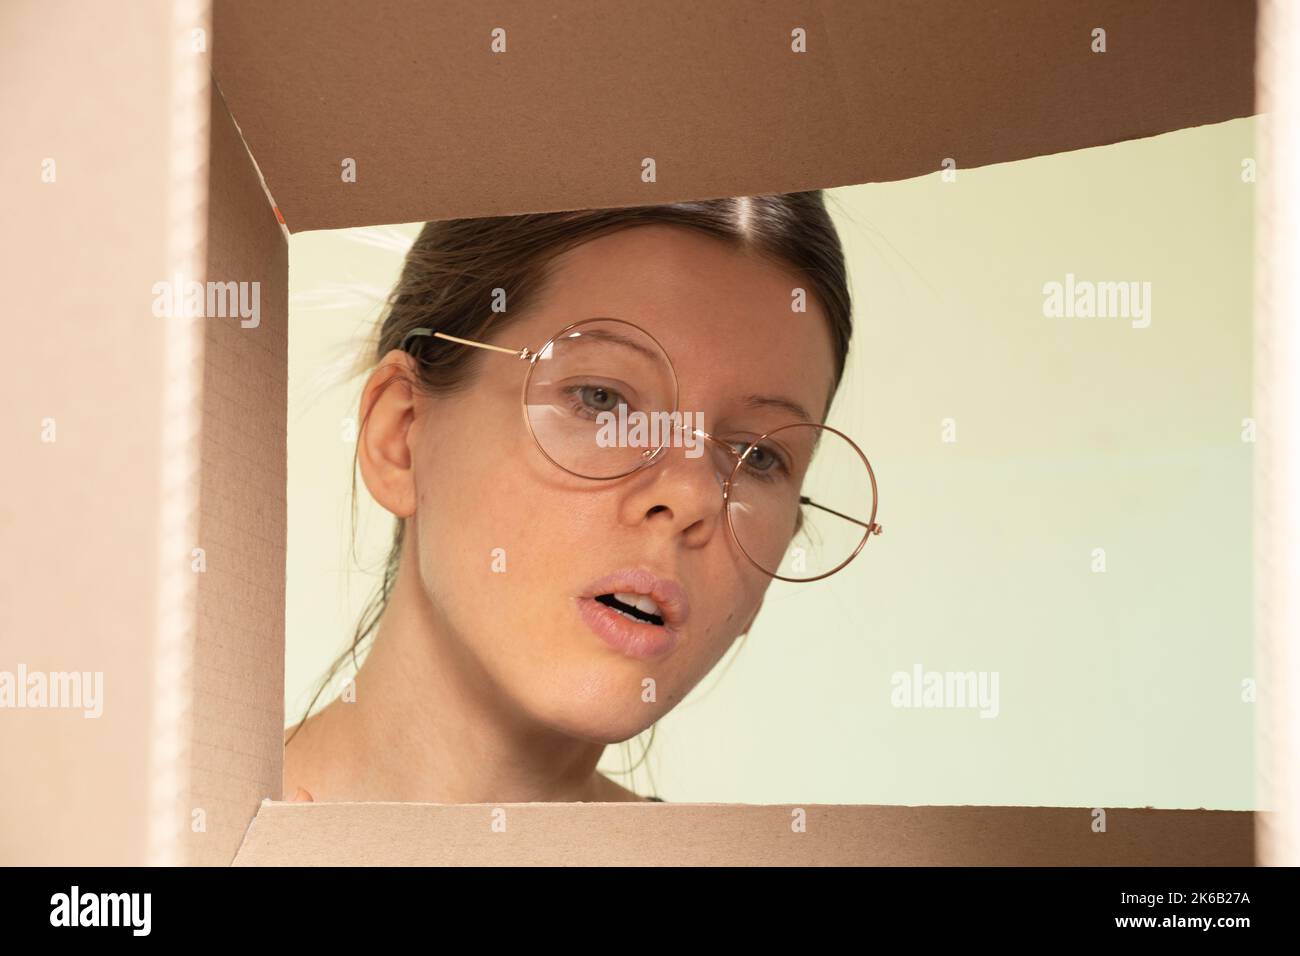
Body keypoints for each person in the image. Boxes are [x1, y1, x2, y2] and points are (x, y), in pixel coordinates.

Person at [283, 193, 875, 804]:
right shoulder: (187, 833)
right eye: (602, 400)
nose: (693, 494)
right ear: (400, 435)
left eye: (760, 458)